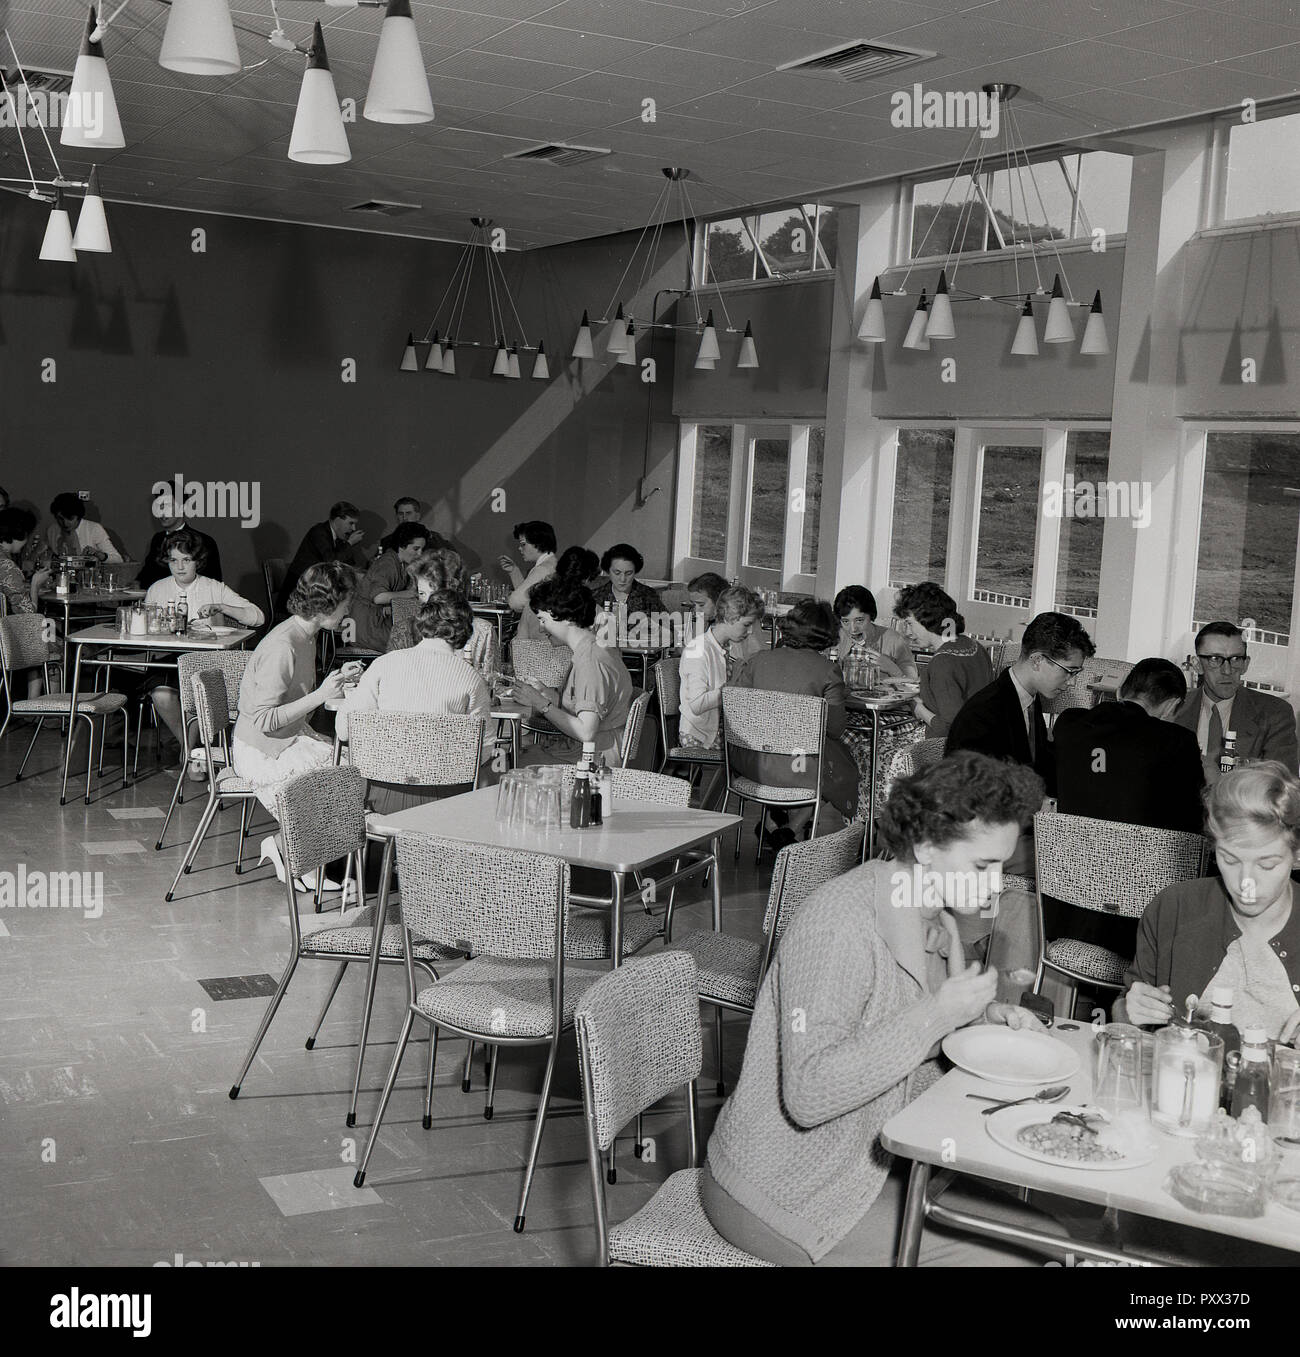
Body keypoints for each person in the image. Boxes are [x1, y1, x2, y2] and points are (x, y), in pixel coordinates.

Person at [700, 751, 1059, 1267]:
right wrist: (939, 1015)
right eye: (983, 865)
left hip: (881, 1159)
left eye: (1002, 864)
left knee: (1051, 1238)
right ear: (926, 847)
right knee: (1022, 1259)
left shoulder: (935, 914)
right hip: (785, 1184)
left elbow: (907, 1032)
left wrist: (984, 1021)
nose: (996, 883)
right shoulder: (839, 923)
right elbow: (808, 1092)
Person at [945, 611, 1094, 961]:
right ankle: (1048, 959)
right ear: (1039, 660)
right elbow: (971, 801)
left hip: (1011, 830)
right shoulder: (985, 713)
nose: (1071, 682)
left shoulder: (1025, 700)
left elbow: (1037, 767)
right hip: (980, 839)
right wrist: (1042, 809)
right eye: (1069, 671)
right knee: (1076, 864)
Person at [1118, 762, 1300, 1043]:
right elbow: (1123, 1013)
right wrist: (1130, 1011)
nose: (1245, 883)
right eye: (1230, 859)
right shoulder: (1174, 908)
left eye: (1266, 864)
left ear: (1297, 855)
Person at [233, 562, 355, 895]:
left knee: (348, 771)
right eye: (345, 604)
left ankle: (290, 848)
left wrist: (336, 683)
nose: (348, 611)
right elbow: (264, 719)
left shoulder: (306, 635)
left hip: (287, 737)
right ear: (326, 605)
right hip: (262, 747)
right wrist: (321, 694)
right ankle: (294, 854)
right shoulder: (283, 646)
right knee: (335, 779)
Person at [337, 591, 493, 815]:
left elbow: (344, 731)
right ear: (465, 631)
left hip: (382, 795)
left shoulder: (384, 664)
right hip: (448, 801)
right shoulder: (471, 678)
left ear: (423, 622)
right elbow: (484, 750)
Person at [727, 599, 859, 848]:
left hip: (750, 762)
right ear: (827, 634)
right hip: (797, 767)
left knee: (792, 752)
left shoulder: (758, 660)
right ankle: (790, 828)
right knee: (837, 763)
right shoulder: (828, 670)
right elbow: (835, 729)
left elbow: (736, 713)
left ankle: (772, 822)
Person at [142, 530, 265, 757]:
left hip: (205, 661)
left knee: (199, 692)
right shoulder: (157, 589)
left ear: (197, 561)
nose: (180, 567)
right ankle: (191, 750)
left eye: (186, 560)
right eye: (173, 560)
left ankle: (189, 755)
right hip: (168, 659)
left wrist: (222, 607)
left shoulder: (213, 587)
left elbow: (257, 617)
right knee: (161, 695)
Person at [1054, 658, 1204, 834]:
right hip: (1143, 849)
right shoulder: (1178, 740)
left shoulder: (1069, 723)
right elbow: (1192, 820)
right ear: (1172, 705)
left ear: (1120, 691)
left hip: (1070, 845)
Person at [510, 576, 632, 764]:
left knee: (503, 765)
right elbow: (582, 706)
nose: (541, 629)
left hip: (592, 759)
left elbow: (586, 731)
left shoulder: (590, 661)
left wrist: (541, 703)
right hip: (589, 750)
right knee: (514, 757)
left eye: (543, 620)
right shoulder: (593, 648)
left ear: (567, 618)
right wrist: (546, 693)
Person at [1171, 621, 1299, 781]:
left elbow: (1284, 785)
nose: (1227, 670)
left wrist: (1220, 783)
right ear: (1197, 665)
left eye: (1236, 659)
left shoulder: (1274, 714)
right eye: (1215, 659)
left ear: (1245, 664)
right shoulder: (1173, 710)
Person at [894, 582, 992, 736]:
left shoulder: (942, 663)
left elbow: (951, 729)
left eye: (909, 624)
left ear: (927, 619)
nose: (908, 632)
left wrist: (919, 709)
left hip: (948, 748)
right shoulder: (974, 646)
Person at [679, 584, 764, 751]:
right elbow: (696, 705)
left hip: (717, 729)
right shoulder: (698, 649)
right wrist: (731, 687)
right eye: (747, 624)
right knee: (759, 751)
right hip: (701, 735)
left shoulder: (727, 647)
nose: (750, 631)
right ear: (729, 618)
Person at [389, 548, 496, 677]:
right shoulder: (404, 630)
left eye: (434, 593)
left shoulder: (482, 631)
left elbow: (492, 681)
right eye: (422, 593)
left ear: (454, 592)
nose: (428, 601)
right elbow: (392, 677)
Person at [349, 522, 427, 652]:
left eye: (421, 549)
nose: (420, 554)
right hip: (367, 627)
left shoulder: (400, 563)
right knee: (410, 644)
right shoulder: (387, 563)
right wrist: (411, 593)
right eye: (416, 549)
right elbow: (379, 597)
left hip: (375, 623)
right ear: (401, 545)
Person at [278, 502, 369, 614]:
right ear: (337, 520)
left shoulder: (338, 538)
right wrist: (349, 543)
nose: (353, 528)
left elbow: (347, 564)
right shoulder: (319, 532)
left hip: (313, 592)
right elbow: (331, 562)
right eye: (351, 523)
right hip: (298, 597)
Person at [0, 507, 53, 698]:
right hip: (6, 640)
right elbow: (29, 617)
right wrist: (35, 586)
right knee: (53, 638)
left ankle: (33, 701)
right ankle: (44, 707)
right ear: (19, 534)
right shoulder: (7, 567)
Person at [138, 488, 222, 588]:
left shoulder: (204, 542)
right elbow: (146, 575)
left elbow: (213, 585)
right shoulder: (158, 539)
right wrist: (134, 584)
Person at [516, 545, 599, 644]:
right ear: (586, 580)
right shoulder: (593, 610)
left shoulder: (533, 603)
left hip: (533, 653)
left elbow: (519, 644)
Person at [832, 585, 916, 678]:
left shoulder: (895, 640)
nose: (853, 629)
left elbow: (912, 681)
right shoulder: (835, 639)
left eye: (859, 620)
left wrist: (892, 669)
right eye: (845, 621)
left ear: (871, 615)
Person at [594, 544, 665, 642]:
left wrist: (657, 629)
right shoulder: (596, 597)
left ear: (635, 571)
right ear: (608, 571)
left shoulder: (648, 595)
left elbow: (671, 631)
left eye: (628, 573)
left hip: (641, 651)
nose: (622, 579)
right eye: (617, 573)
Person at [689, 571, 764, 663]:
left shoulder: (742, 621)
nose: (696, 610)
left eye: (701, 605)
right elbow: (692, 653)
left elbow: (757, 656)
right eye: (693, 605)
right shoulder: (701, 619)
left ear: (718, 601)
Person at [498, 521, 557, 615]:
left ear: (538, 543)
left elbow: (516, 602)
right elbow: (527, 596)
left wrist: (507, 597)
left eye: (523, 544)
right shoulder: (552, 564)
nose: (519, 548)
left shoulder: (543, 569)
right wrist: (514, 571)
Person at [46, 492, 122, 562]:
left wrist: (98, 554)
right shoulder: (52, 530)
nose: (65, 523)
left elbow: (118, 559)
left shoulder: (94, 529)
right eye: (60, 518)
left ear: (78, 516)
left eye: (70, 518)